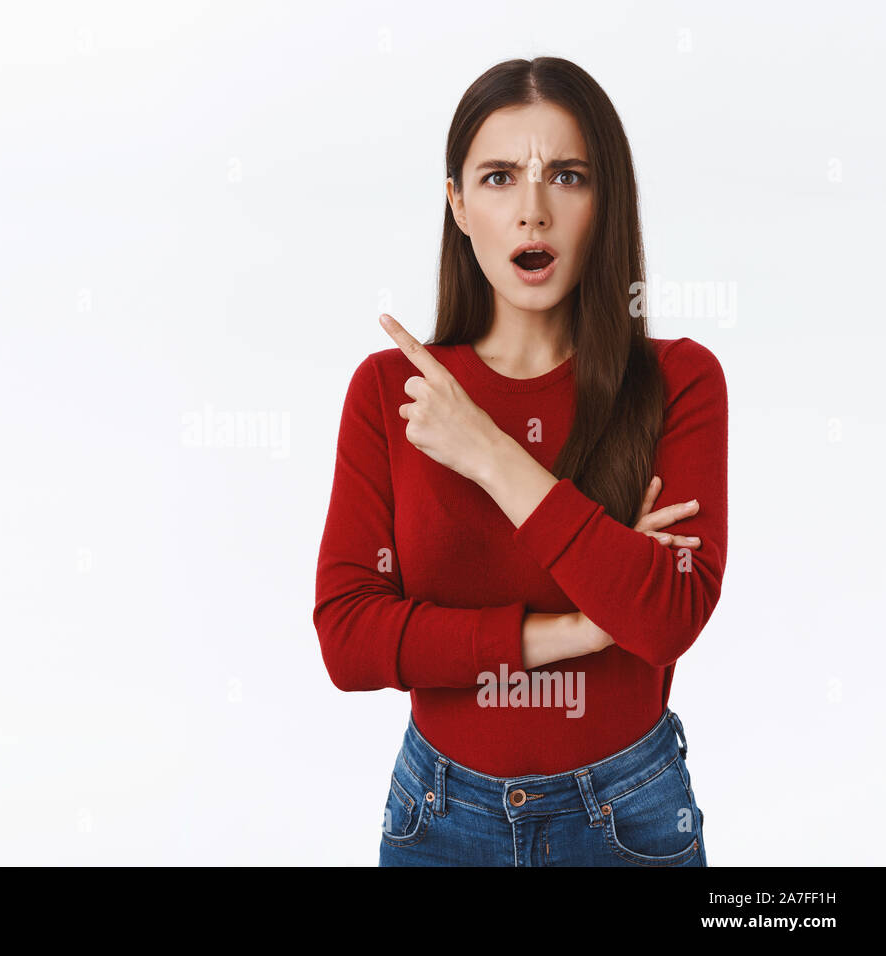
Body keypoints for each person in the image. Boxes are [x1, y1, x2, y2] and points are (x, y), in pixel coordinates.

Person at [312, 57, 727, 866]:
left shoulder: (680, 380)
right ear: (459, 206)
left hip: (629, 814)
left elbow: (669, 615)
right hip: (438, 817)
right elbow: (350, 639)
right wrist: (576, 630)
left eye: (567, 177)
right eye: (499, 178)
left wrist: (492, 455)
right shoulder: (393, 391)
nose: (532, 213)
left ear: (605, 204)